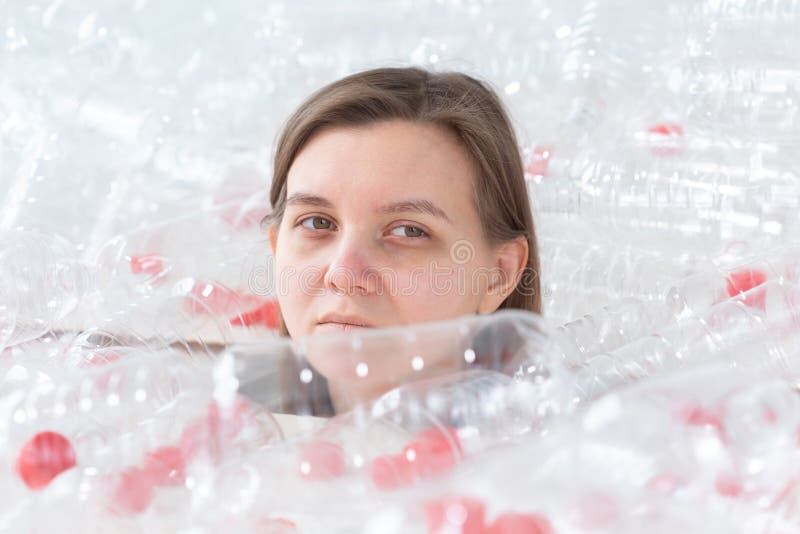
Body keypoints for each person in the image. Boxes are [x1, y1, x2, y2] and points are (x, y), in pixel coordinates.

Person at [262, 66, 541, 414]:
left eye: (408, 231)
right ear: (276, 249)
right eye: (317, 222)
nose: (344, 274)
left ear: (499, 273)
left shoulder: (566, 452)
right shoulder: (220, 432)